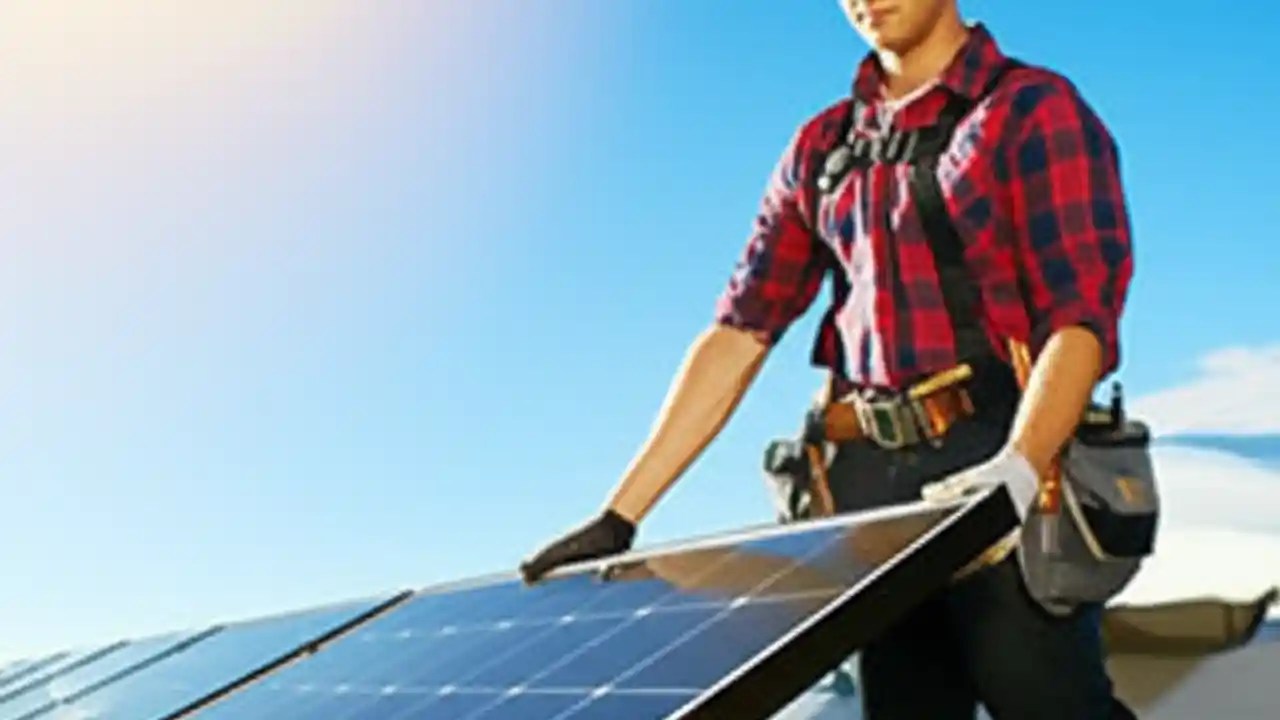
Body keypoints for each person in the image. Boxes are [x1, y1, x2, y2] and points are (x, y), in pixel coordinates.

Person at [519, 1, 1138, 717]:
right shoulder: (823, 146)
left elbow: (1079, 317)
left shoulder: (1031, 108)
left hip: (1002, 451)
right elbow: (741, 330)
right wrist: (619, 516)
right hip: (868, 483)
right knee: (906, 704)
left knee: (1041, 697)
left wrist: (1019, 468)